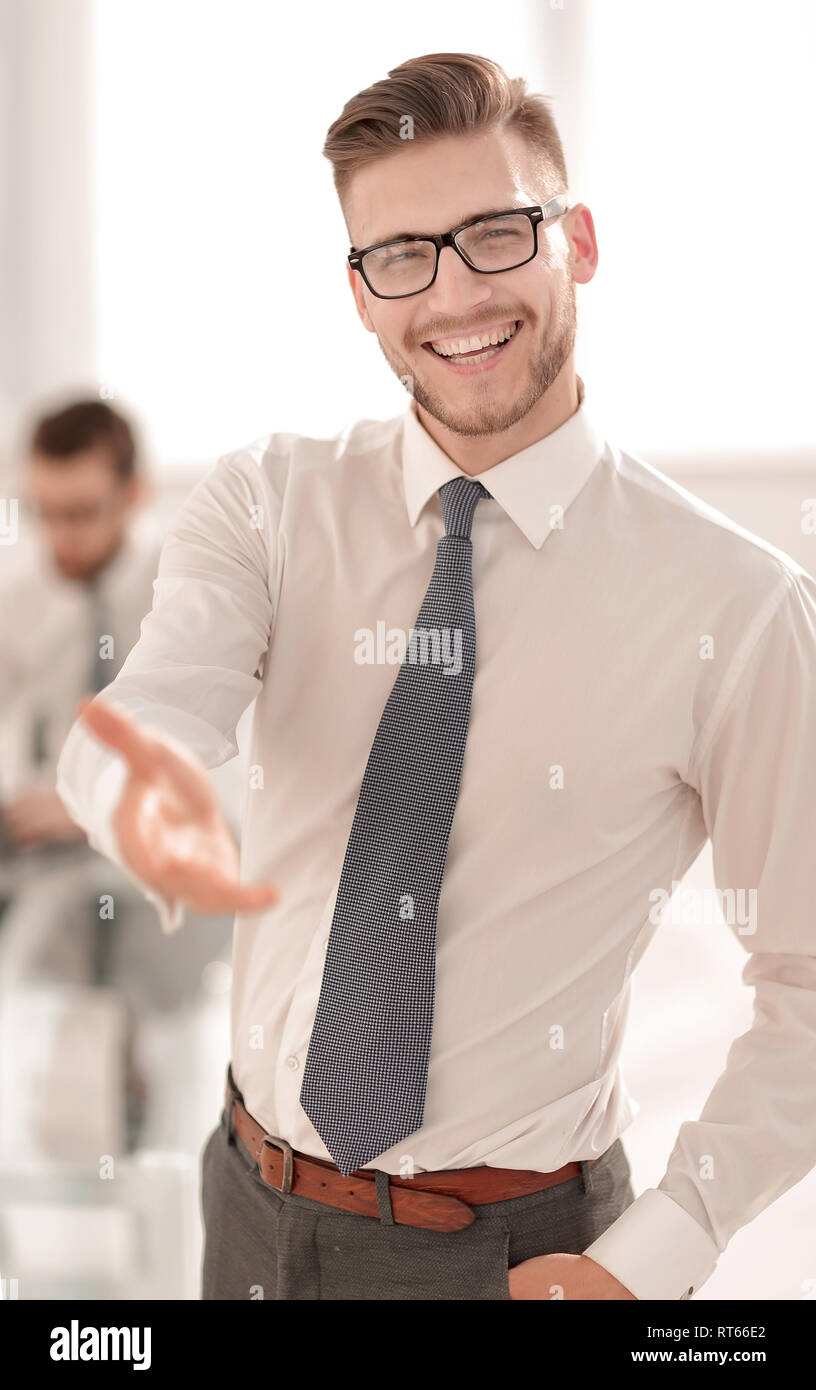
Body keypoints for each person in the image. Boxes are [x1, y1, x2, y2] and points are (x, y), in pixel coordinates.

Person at [56, 53, 816, 1300]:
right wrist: (144, 791)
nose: (452, 291)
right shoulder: (268, 502)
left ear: (575, 238)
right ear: (359, 294)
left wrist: (660, 1250)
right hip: (247, 1201)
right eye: (400, 253)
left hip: (512, 1253)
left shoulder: (738, 608)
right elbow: (150, 703)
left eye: (495, 234)